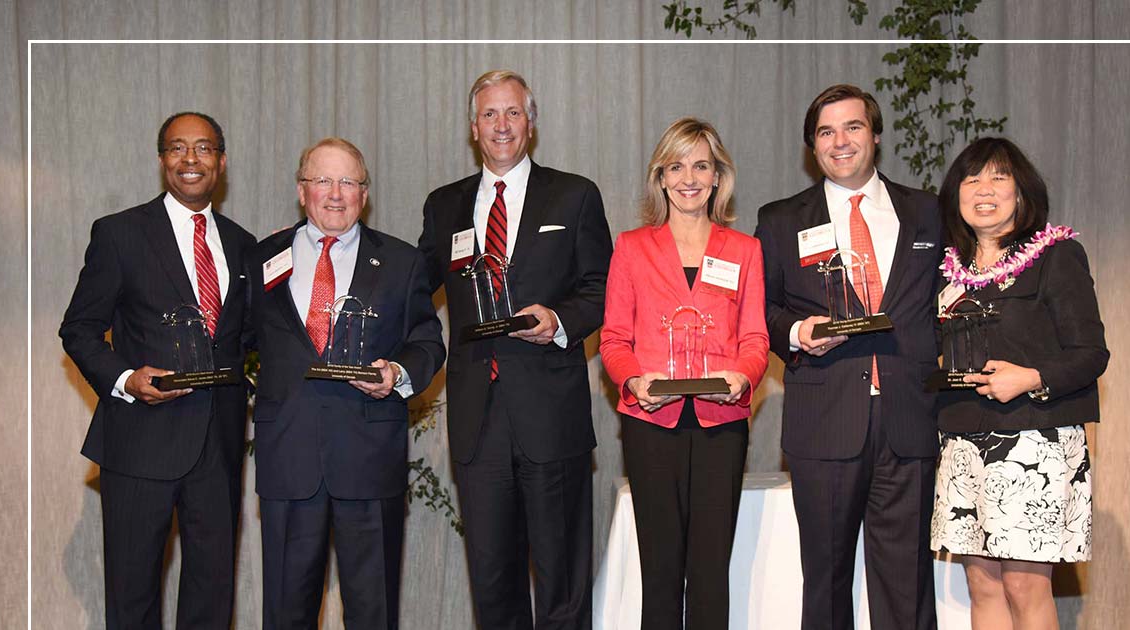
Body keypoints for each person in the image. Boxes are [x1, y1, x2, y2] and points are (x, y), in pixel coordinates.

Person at [417, 69, 612, 630]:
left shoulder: (574, 195)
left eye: (512, 113)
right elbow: (412, 292)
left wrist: (558, 319)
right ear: (472, 128)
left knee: (562, 581)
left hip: (552, 414)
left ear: (531, 123)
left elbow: (601, 288)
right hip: (478, 420)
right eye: (489, 115)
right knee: (492, 580)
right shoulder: (445, 205)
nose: (501, 125)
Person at [754, 84, 942, 630]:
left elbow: (950, 299)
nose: (841, 141)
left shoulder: (927, 211)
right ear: (812, 147)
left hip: (909, 418)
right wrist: (793, 330)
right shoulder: (781, 220)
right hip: (825, 420)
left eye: (853, 127)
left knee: (907, 583)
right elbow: (759, 310)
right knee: (827, 581)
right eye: (826, 132)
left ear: (876, 135)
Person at [59, 112, 254, 629]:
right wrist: (125, 380)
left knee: (212, 598)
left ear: (222, 161)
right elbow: (78, 330)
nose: (191, 159)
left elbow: (247, 338)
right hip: (139, 441)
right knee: (132, 594)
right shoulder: (120, 234)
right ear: (162, 159)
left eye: (204, 148)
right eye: (177, 148)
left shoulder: (243, 245)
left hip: (218, 445)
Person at [245, 137, 445, 629]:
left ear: (365, 192)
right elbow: (230, 342)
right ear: (302, 190)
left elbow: (428, 343)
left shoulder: (402, 262)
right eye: (323, 181)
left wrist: (398, 374)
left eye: (349, 182)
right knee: (286, 612)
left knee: (372, 611)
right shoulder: (259, 258)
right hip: (288, 456)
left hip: (369, 457)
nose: (336, 194)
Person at [929, 137, 1108, 629]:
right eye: (971, 179)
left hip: (1034, 443)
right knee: (982, 585)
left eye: (998, 177)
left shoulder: (1057, 255)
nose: (984, 189)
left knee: (1025, 585)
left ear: (1022, 192)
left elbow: (1092, 355)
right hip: (963, 440)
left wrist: (1029, 378)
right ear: (956, 195)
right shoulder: (946, 270)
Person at [599, 117, 768, 629]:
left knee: (712, 570)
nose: (689, 177)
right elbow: (613, 340)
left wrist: (743, 375)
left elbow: (756, 340)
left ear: (718, 176)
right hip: (652, 424)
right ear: (661, 177)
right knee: (662, 569)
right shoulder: (631, 247)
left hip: (722, 425)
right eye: (677, 166)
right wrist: (631, 380)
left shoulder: (745, 251)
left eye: (701, 165)